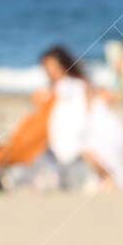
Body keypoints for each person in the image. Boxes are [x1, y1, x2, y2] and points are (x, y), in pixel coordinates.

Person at [36, 45, 93, 191]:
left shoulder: (74, 86)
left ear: (63, 65)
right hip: (57, 150)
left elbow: (89, 115)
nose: (49, 72)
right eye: (46, 68)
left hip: (77, 149)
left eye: (51, 67)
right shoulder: (55, 89)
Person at [81, 77, 123, 191]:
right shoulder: (98, 109)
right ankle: (109, 178)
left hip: (106, 135)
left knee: (88, 151)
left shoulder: (96, 108)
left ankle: (108, 178)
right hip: (109, 135)